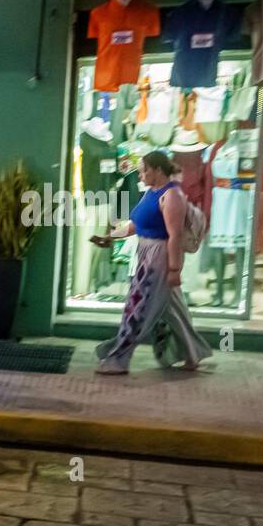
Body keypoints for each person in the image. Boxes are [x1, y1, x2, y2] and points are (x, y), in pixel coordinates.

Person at [91, 150, 212, 374]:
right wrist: (110, 237)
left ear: (157, 170)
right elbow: (136, 225)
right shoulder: (151, 193)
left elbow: (174, 235)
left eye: (143, 170)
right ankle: (192, 354)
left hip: (158, 257)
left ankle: (119, 359)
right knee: (174, 312)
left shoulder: (172, 196)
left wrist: (175, 269)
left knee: (138, 309)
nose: (140, 175)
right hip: (147, 253)